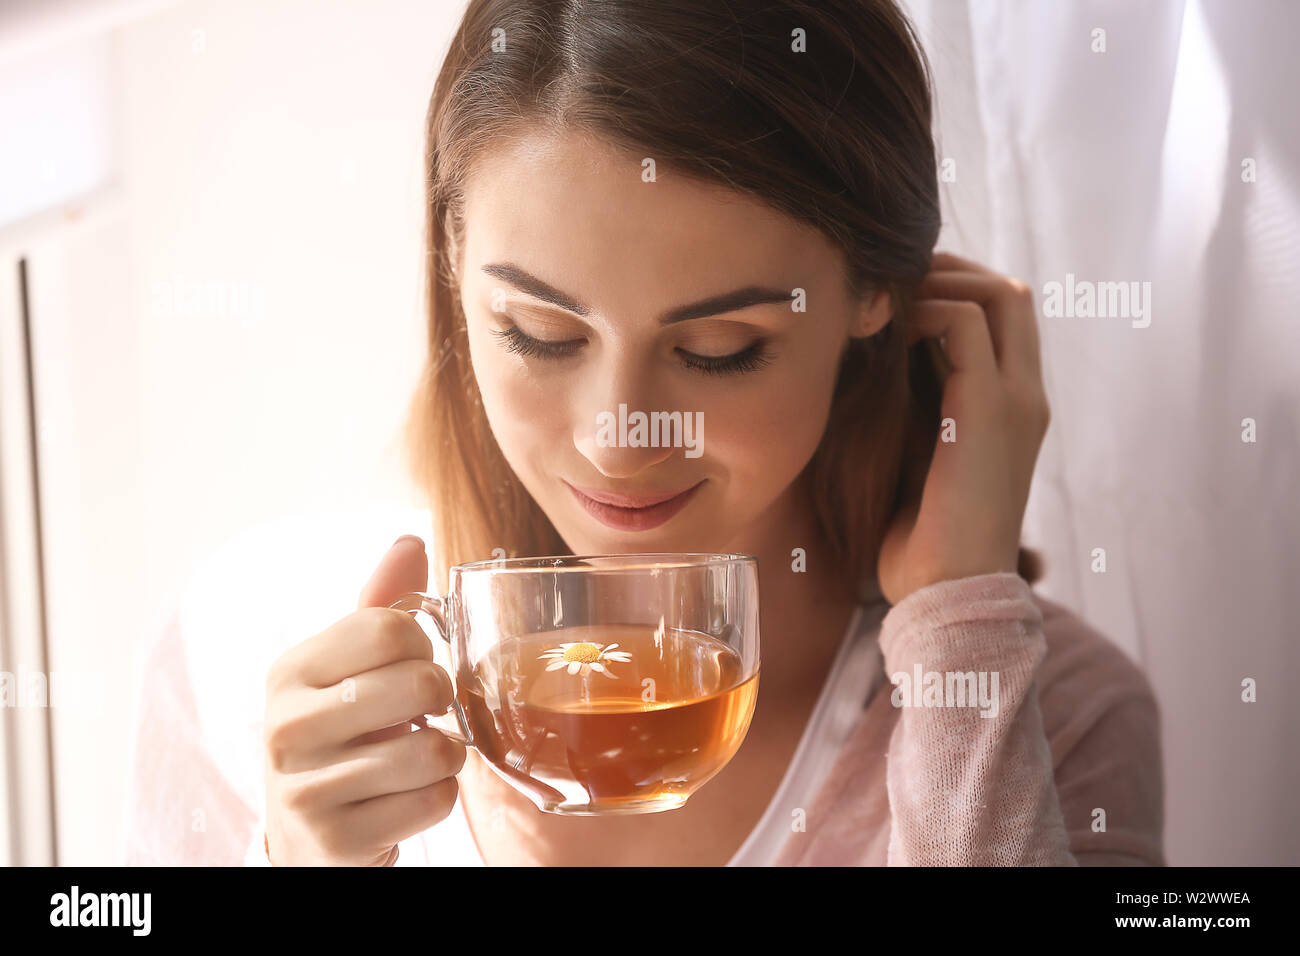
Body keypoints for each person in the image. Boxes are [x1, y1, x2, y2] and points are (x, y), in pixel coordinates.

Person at [129, 0, 1165, 866]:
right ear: (453, 259)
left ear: (878, 295)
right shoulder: (249, 663)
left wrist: (958, 635)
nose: (618, 439)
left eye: (719, 348)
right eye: (537, 333)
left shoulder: (1043, 719)